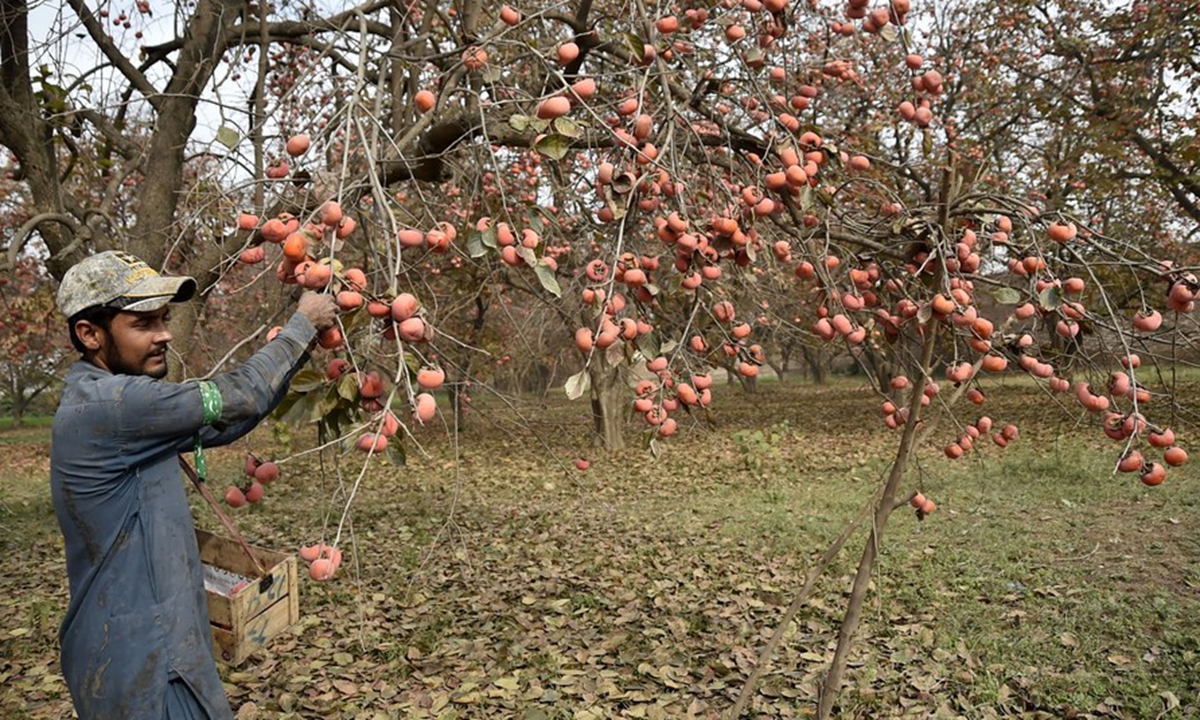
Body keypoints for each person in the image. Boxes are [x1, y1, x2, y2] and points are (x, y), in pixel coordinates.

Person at [50, 250, 338, 719]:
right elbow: (236, 396)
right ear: (90, 334)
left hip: (147, 648)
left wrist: (296, 348)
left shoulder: (113, 403)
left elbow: (230, 419)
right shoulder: (114, 405)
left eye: (164, 319)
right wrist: (302, 324)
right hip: (144, 664)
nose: (164, 334)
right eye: (143, 324)